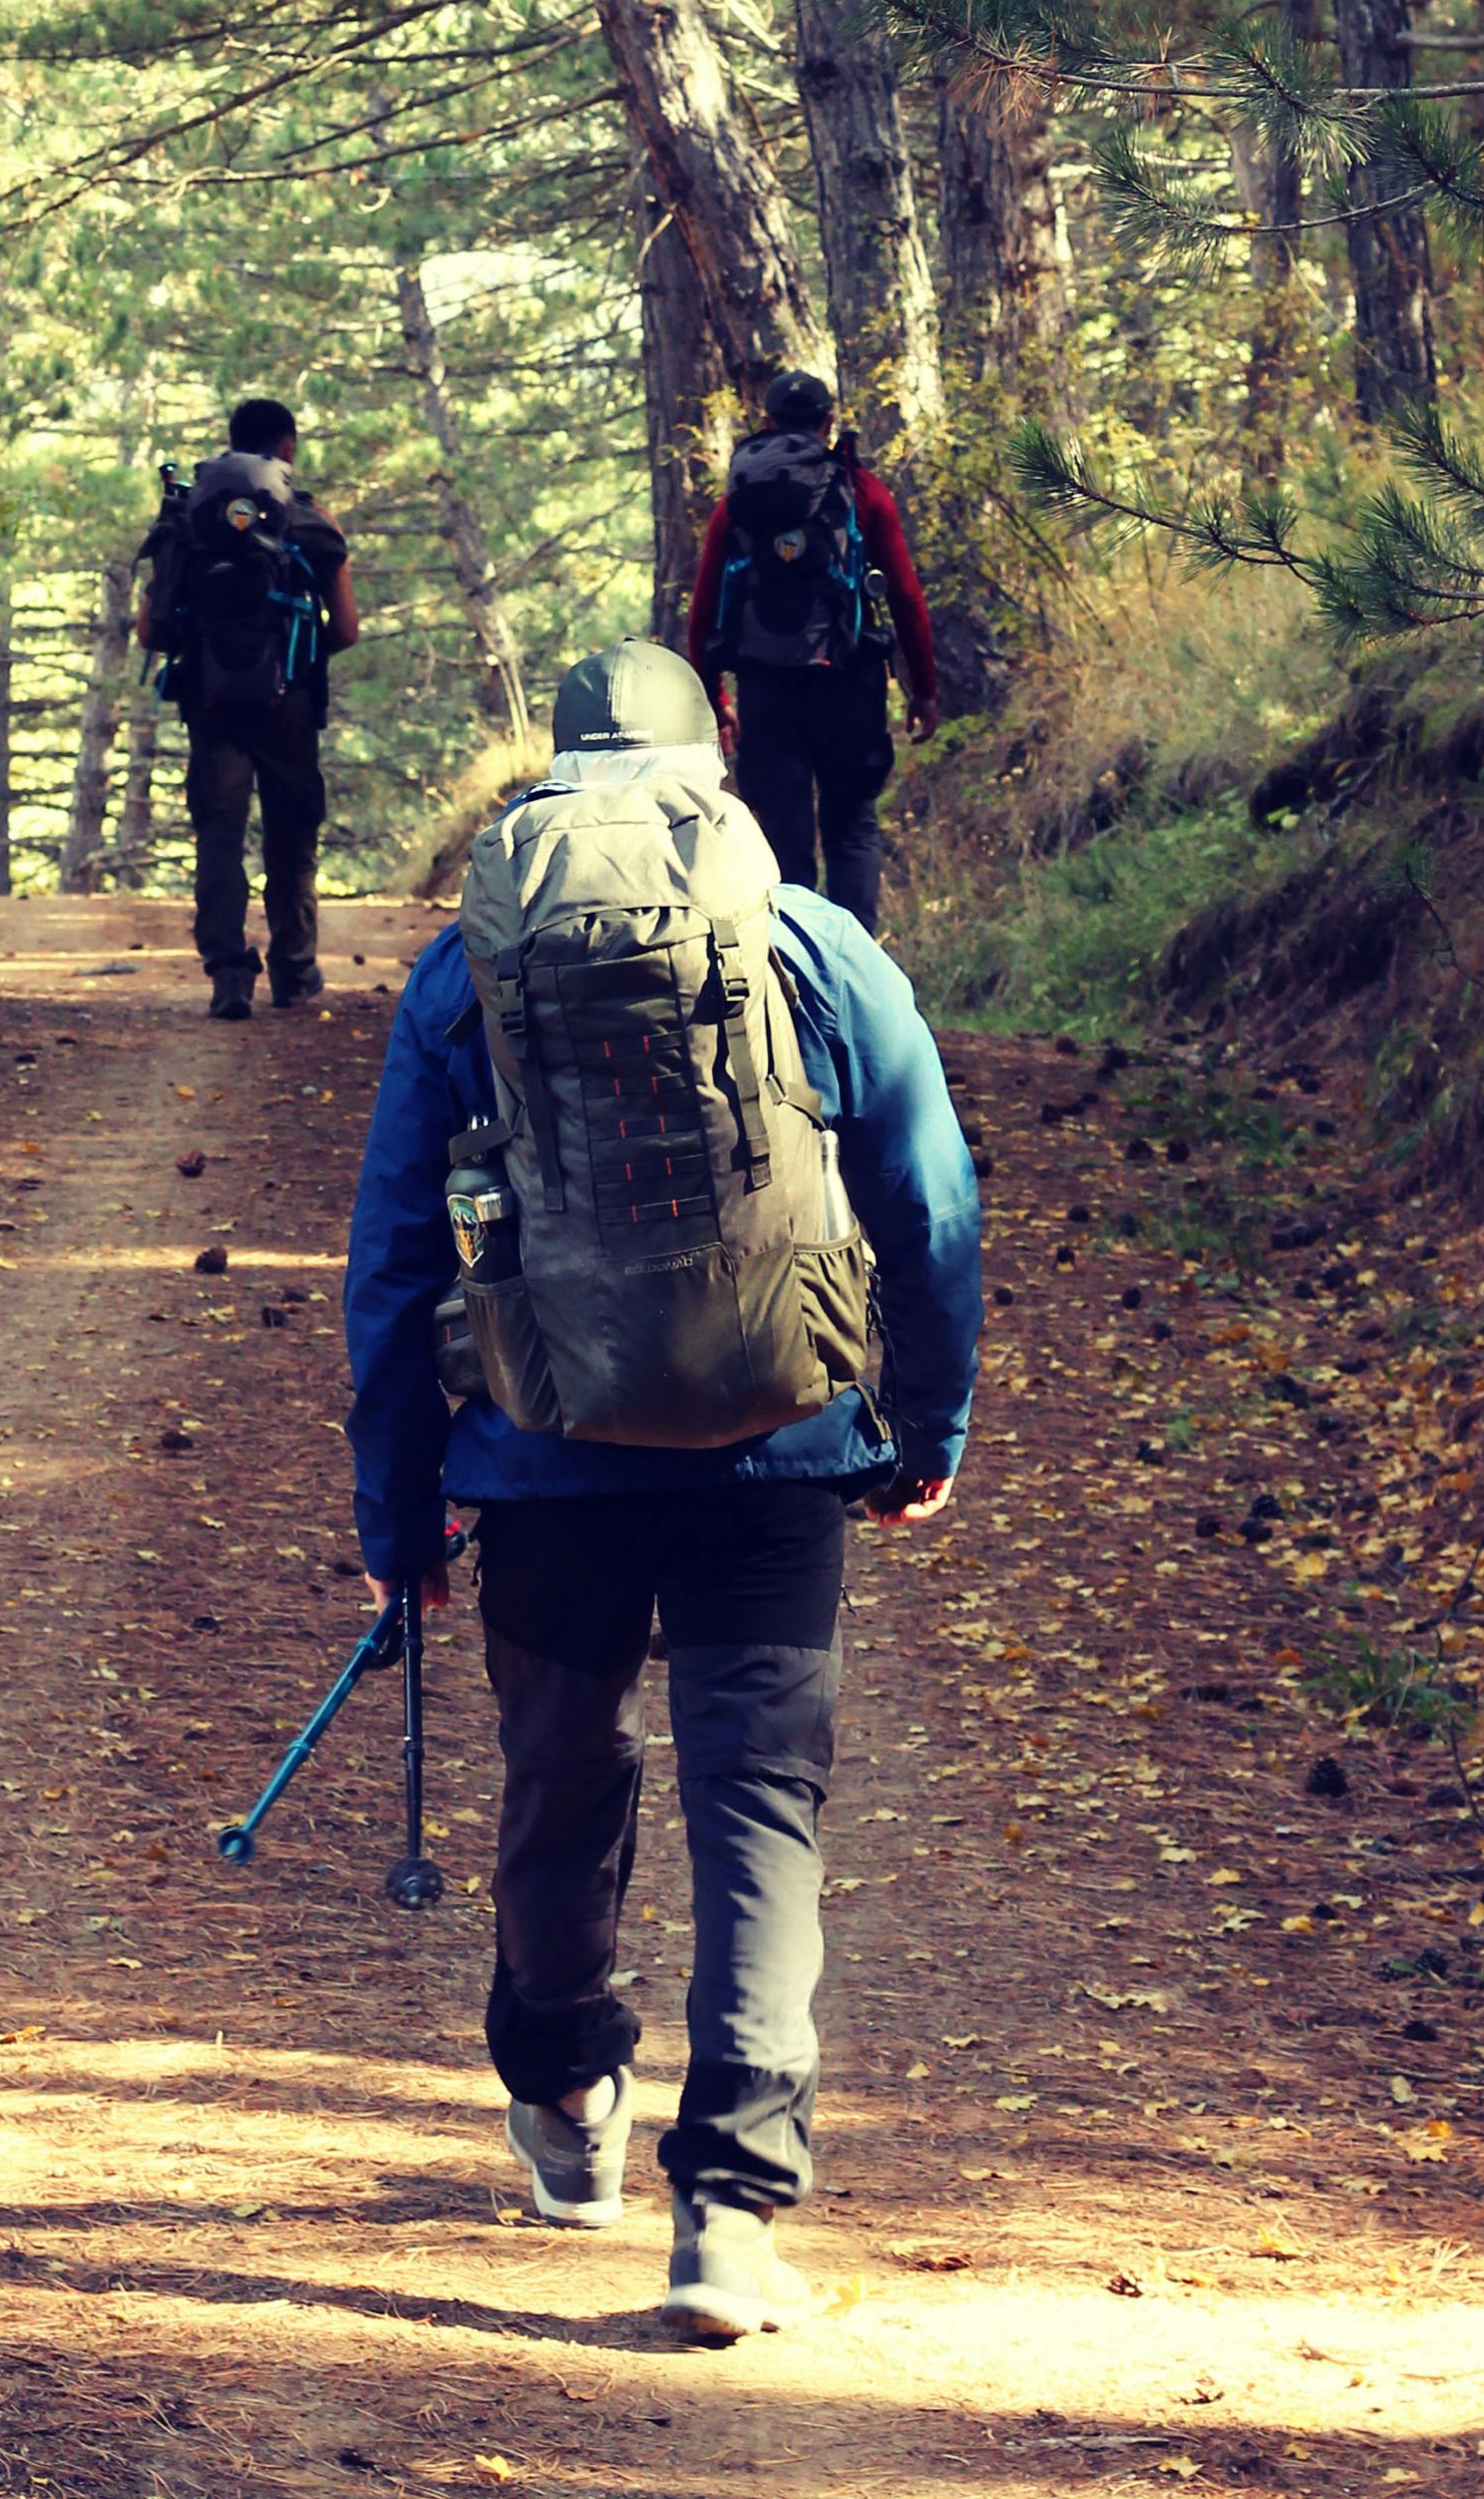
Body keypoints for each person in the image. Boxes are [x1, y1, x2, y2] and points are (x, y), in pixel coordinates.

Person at [342, 640, 979, 2340]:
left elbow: (397, 1261)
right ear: (713, 766)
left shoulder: (466, 975)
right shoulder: (817, 946)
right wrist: (926, 1428)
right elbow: (929, 1212)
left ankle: (562, 2097)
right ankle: (729, 2213)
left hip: (541, 1461)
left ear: (550, 777)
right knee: (758, 1808)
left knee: (564, 1773)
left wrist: (397, 1519)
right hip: (775, 1449)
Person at [684, 367, 936, 933]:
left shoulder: (737, 505)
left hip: (767, 692)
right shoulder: (863, 491)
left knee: (785, 841)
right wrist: (924, 690)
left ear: (768, 422)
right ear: (829, 422)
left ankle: (799, 982)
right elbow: (906, 597)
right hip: (850, 684)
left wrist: (715, 699)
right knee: (851, 827)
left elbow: (703, 614)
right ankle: (858, 976)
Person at [137, 396, 361, 1022]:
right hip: (288, 709)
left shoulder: (190, 520)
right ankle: (293, 970)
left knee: (219, 838)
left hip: (211, 708)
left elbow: (151, 634)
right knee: (291, 838)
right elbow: (345, 630)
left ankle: (229, 975)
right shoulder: (310, 520)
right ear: (288, 447)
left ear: (231, 442)